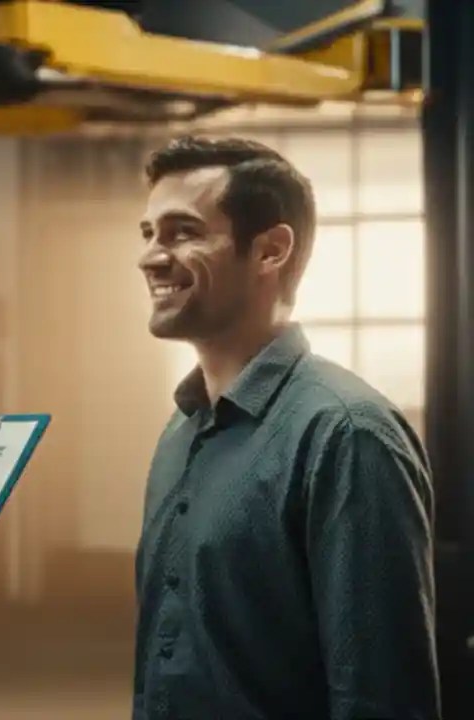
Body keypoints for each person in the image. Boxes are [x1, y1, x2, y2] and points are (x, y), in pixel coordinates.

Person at [132, 136, 440, 719]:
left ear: (270, 250)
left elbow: (382, 696)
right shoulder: (183, 430)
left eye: (183, 231)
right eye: (148, 233)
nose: (151, 256)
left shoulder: (346, 435)